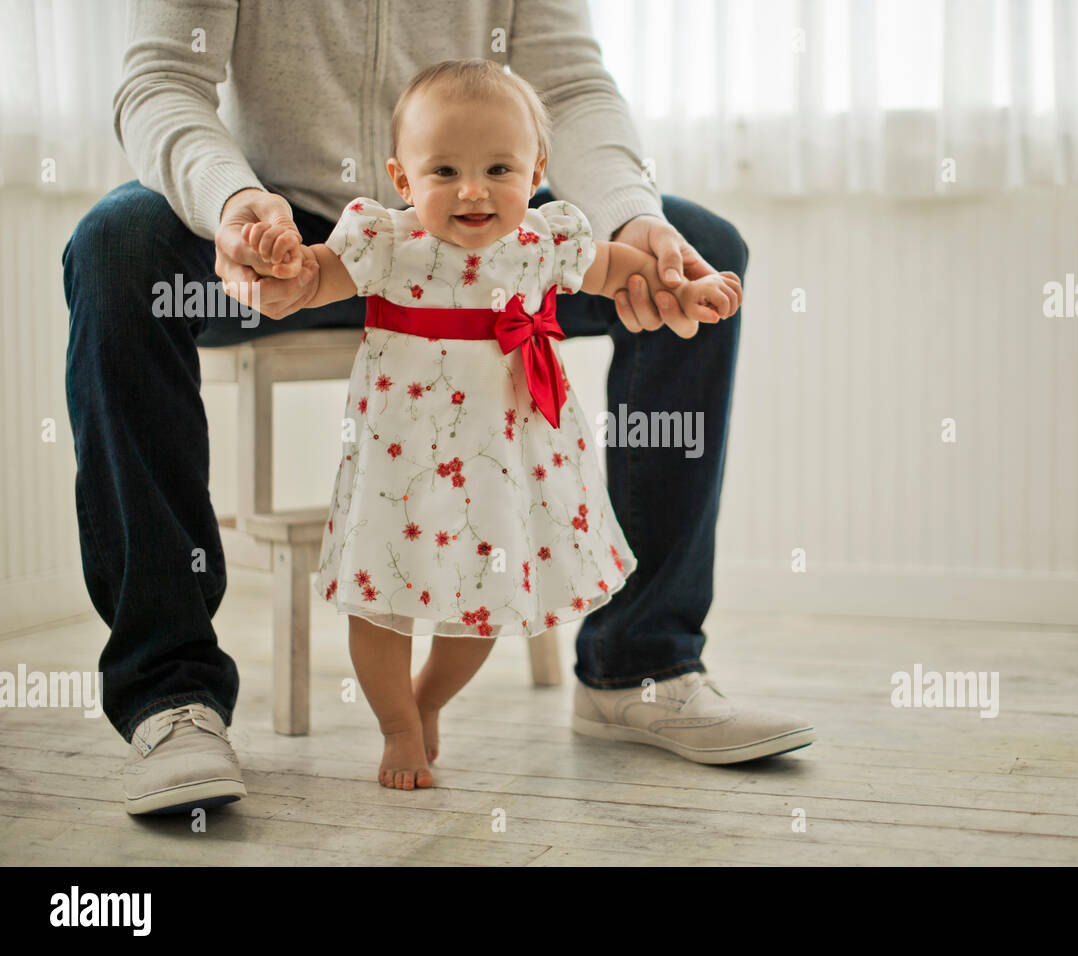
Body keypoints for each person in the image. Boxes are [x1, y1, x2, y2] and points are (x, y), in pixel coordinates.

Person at [63, 0, 815, 815]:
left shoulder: (529, 218)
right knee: (115, 246)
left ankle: (643, 662)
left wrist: (637, 221)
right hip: (286, 232)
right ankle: (171, 696)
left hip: (483, 237)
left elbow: (569, 85)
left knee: (701, 251)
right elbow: (163, 79)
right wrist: (233, 203)